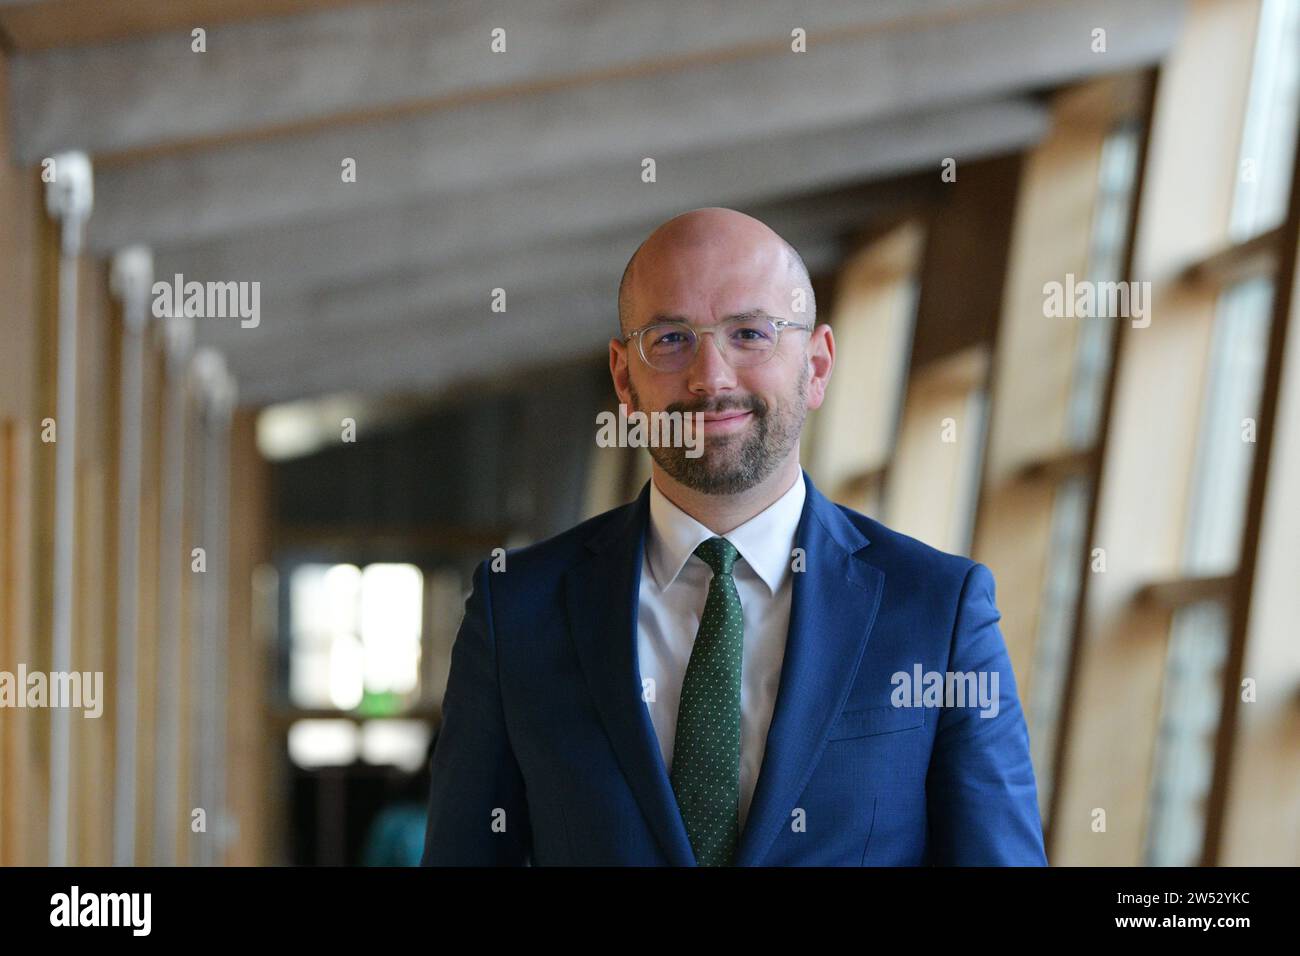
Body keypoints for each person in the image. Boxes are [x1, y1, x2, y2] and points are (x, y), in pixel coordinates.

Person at [421, 207, 1047, 866]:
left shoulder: (936, 610)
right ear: (623, 378)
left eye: (750, 333)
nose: (712, 377)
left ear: (819, 364)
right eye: (669, 339)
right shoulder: (517, 609)